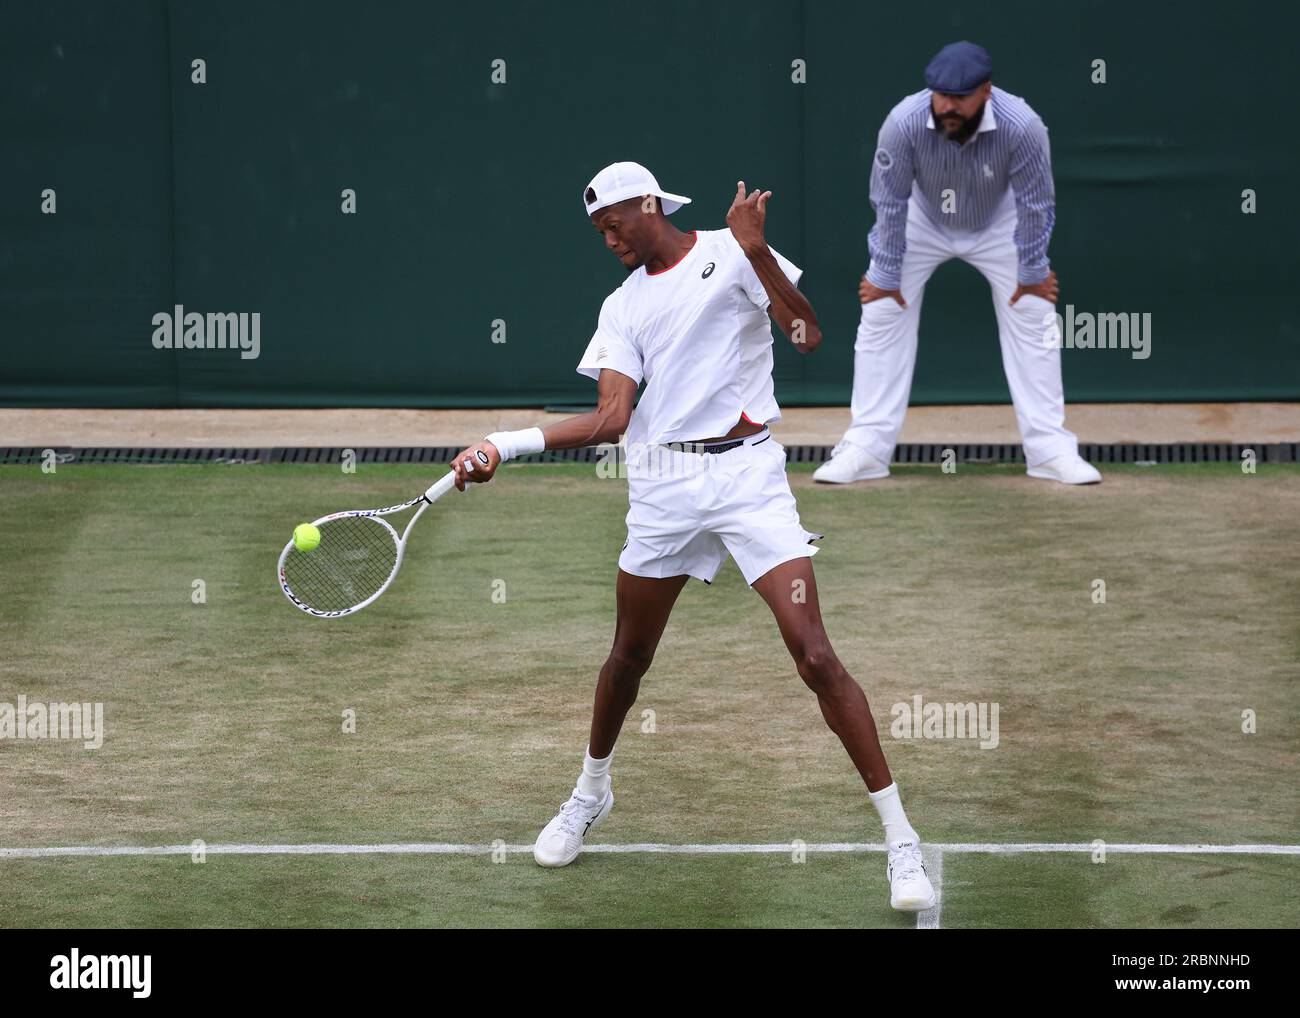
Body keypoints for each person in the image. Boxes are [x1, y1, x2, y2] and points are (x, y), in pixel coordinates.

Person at [449, 161, 936, 911]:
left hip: (748, 479)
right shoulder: (622, 307)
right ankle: (590, 792)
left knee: (814, 654)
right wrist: (504, 444)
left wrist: (758, 251)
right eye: (598, 231)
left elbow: (806, 337)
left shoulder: (732, 252)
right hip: (663, 488)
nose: (608, 238)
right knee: (628, 658)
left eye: (615, 222)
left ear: (650, 204)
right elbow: (612, 420)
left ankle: (901, 841)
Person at [814, 41, 1101, 486]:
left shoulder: (1023, 125)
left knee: (1034, 311)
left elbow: (1035, 204)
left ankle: (1049, 450)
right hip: (922, 220)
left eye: (959, 96)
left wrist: (1031, 273)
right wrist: (886, 276)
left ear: (985, 90)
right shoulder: (903, 122)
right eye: (940, 94)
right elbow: (889, 201)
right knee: (882, 309)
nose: (947, 105)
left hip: (999, 223)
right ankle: (867, 448)